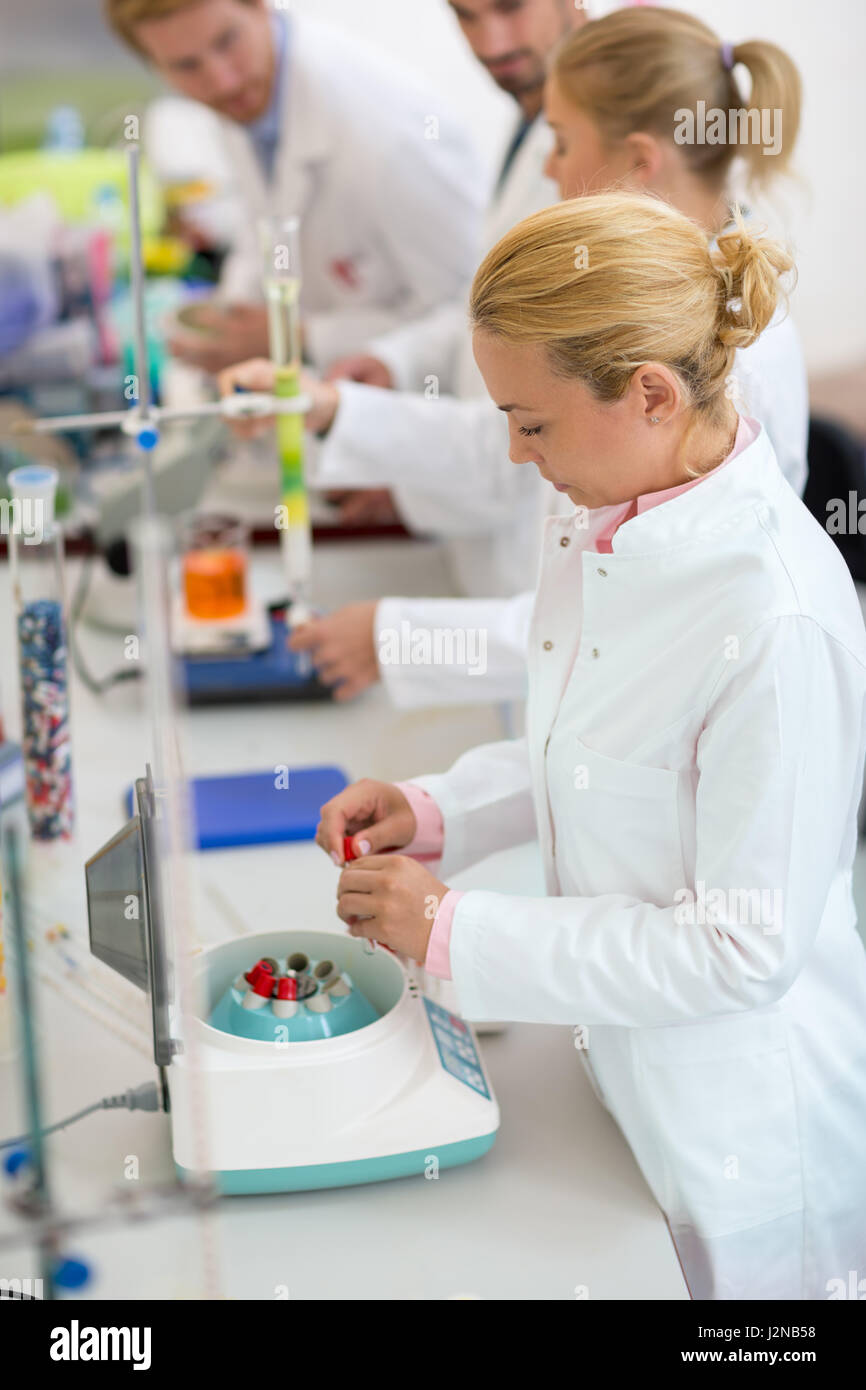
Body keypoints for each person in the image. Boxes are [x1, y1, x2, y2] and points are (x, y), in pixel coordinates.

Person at [315, 192, 866, 1300]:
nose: (516, 456)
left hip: (742, 1142)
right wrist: (440, 811)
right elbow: (593, 748)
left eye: (532, 424)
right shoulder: (613, 511)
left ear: (650, 394)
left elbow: (739, 952)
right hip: (621, 1074)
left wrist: (456, 930)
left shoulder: (773, 618)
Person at [222, 7, 809, 705]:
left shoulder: (722, 355)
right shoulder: (639, 291)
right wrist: (334, 409)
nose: (548, 167)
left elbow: (647, 627)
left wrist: (401, 640)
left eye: (559, 142)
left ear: (639, 159)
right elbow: (517, 443)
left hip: (608, 697)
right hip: (553, 674)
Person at [219, 0, 585, 589]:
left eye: (510, 7)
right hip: (498, 553)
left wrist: (338, 412)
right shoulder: (538, 121)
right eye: (466, 15)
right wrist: (395, 361)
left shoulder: (599, 147)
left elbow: (527, 445)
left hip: (540, 564)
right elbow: (484, 313)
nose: (491, 42)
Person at [104, 0, 486, 371]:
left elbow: (476, 314)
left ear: (260, 5)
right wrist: (230, 319)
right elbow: (265, 227)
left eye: (227, 41)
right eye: (186, 65)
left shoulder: (391, 134)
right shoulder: (249, 98)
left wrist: (299, 337)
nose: (222, 80)